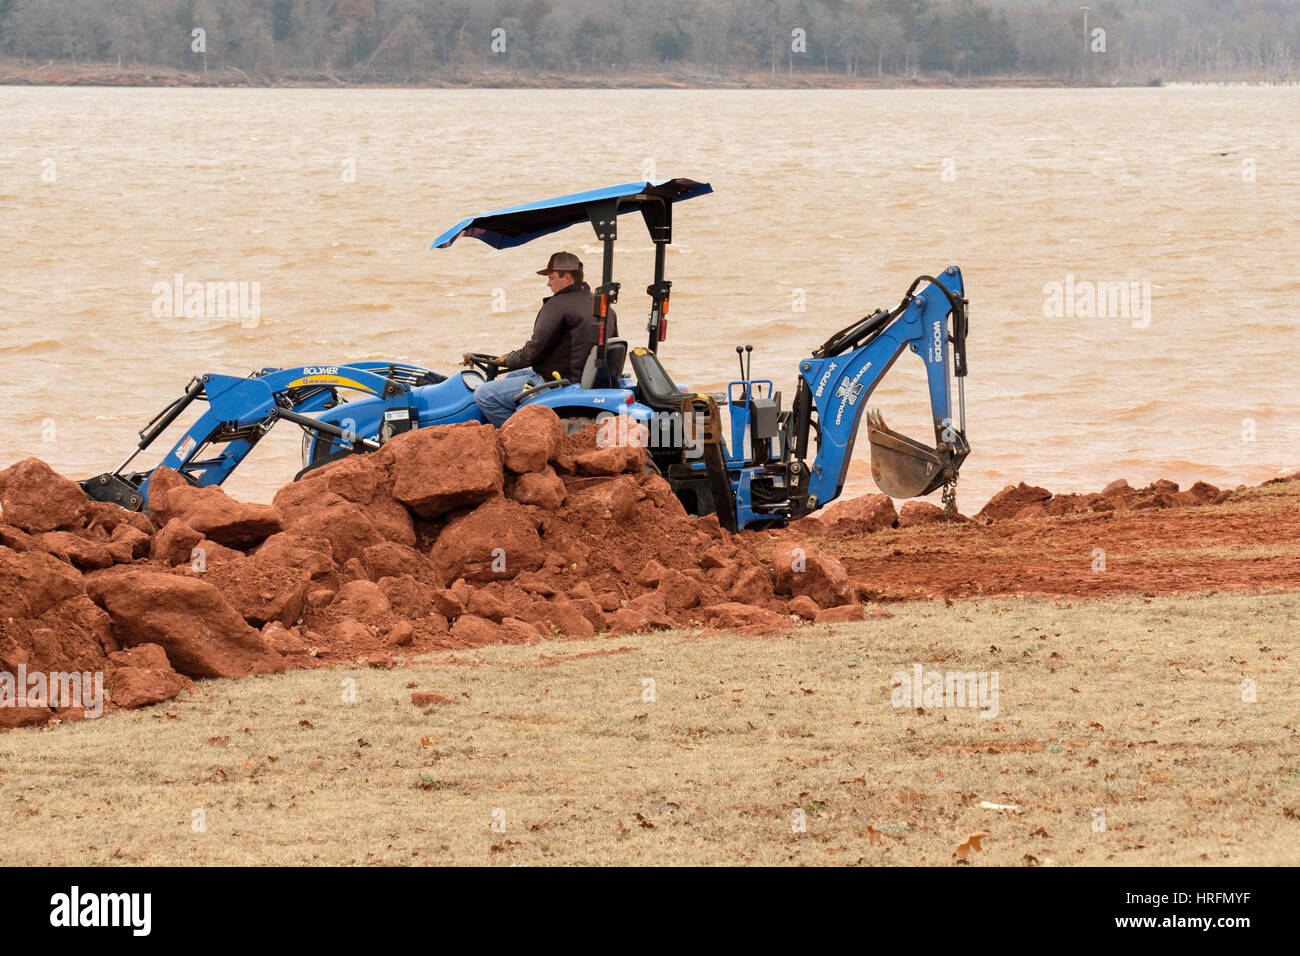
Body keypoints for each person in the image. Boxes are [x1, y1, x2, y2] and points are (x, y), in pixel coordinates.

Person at [466, 251, 618, 426]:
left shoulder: (558, 305)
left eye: (551, 278)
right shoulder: (605, 309)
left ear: (567, 277)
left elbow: (533, 351)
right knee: (513, 376)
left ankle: (519, 436)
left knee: (484, 394)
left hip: (561, 382)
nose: (548, 283)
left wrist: (509, 359)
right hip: (586, 377)